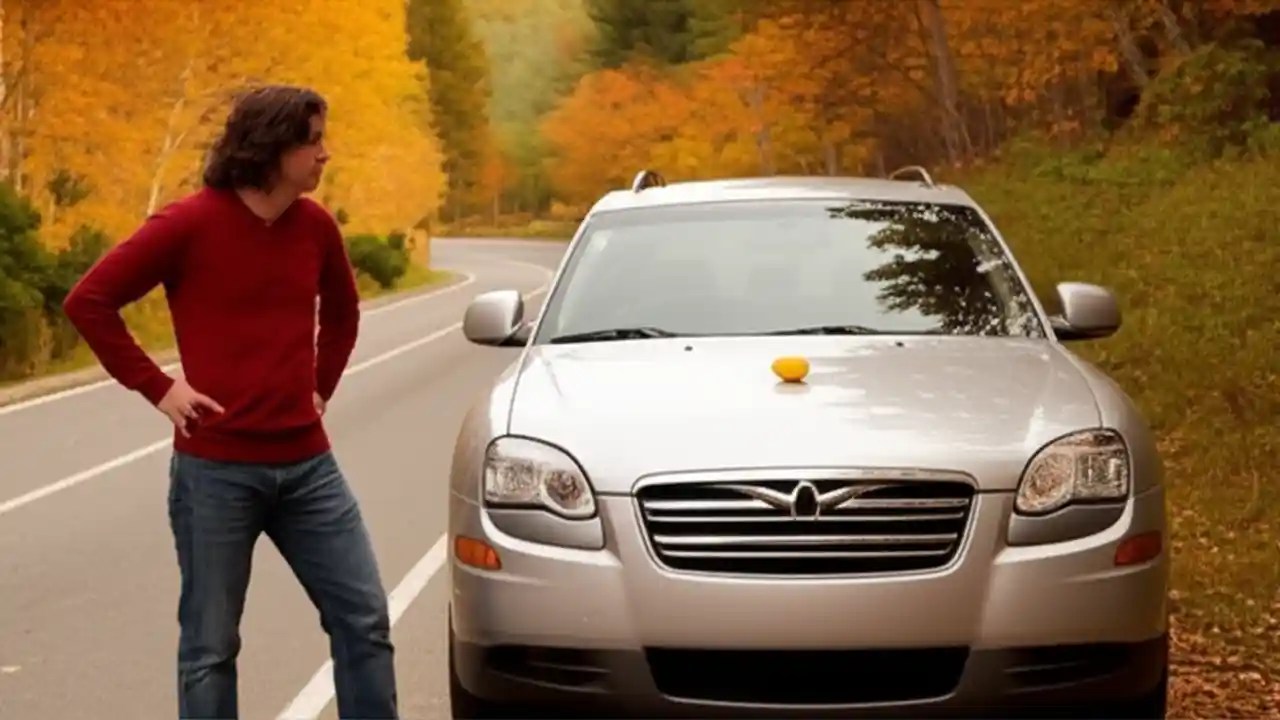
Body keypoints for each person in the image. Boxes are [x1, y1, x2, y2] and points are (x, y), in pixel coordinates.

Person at [61, 85, 398, 719]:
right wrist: (160, 388)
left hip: (308, 466)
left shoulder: (316, 227)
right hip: (214, 474)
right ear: (273, 148)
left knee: (364, 618)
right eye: (313, 141)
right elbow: (89, 302)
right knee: (210, 647)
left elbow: (345, 313)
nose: (325, 154)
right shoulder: (189, 224)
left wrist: (320, 387)